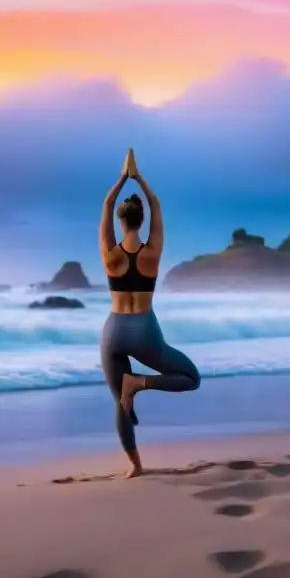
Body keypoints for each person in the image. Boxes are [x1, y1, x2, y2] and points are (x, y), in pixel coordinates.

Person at [99, 149, 200, 478]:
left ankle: (136, 466)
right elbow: (156, 204)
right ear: (141, 220)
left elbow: (106, 205)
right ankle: (139, 383)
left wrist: (121, 179)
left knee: (120, 402)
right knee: (191, 378)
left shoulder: (110, 254)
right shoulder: (152, 252)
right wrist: (139, 178)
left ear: (121, 221)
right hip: (144, 331)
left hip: (114, 331)